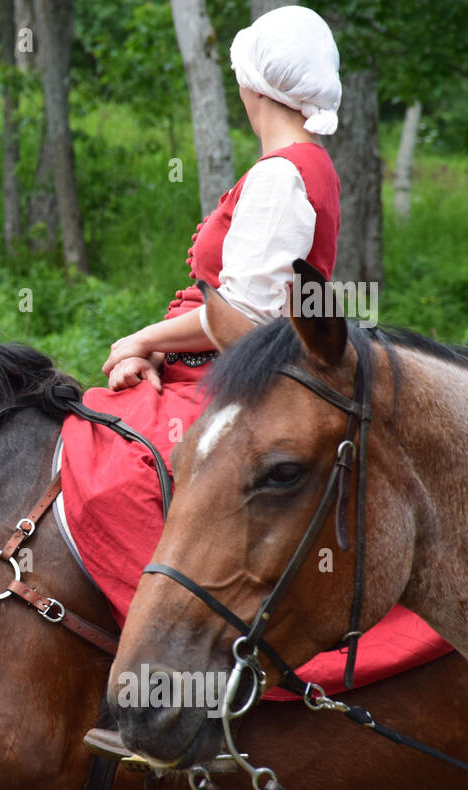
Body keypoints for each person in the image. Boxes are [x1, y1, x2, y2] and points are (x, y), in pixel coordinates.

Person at [62, 5, 343, 625]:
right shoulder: (299, 167)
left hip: (237, 380)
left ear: (251, 84)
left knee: (113, 470)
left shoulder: (282, 176)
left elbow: (243, 319)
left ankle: (167, 648)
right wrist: (157, 349)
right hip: (210, 367)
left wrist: (140, 337)